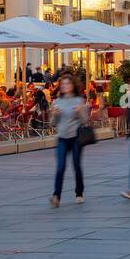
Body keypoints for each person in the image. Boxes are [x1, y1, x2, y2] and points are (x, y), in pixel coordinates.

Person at [49, 74, 88, 207]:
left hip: (76, 137)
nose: (65, 86)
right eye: (63, 84)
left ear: (73, 86)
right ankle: (56, 195)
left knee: (76, 166)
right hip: (62, 138)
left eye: (68, 84)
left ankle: (79, 192)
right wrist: (54, 115)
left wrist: (80, 112)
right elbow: (52, 123)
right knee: (60, 167)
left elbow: (85, 121)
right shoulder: (56, 102)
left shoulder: (79, 100)